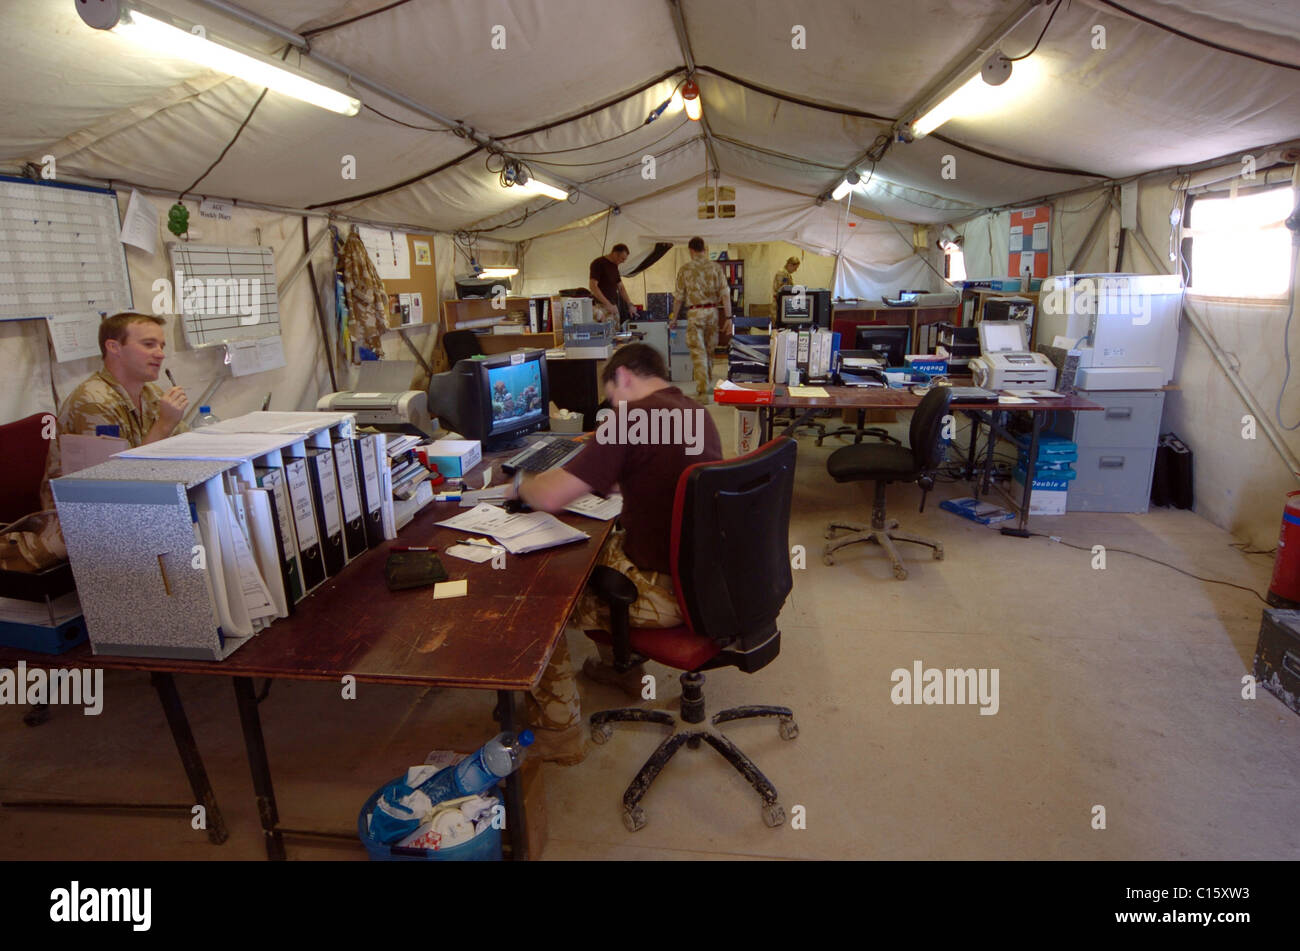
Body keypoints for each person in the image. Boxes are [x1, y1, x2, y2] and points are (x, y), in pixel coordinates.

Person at [505, 343, 722, 763]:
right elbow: (658, 476)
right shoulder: (696, 413)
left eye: (610, 398)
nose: (610, 408)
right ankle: (621, 667)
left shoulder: (631, 419)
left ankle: (558, 734)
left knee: (541, 598)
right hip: (708, 578)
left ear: (623, 377)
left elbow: (550, 496)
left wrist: (520, 486)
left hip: (665, 594)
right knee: (605, 546)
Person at [11, 312, 190, 571]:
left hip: (130, 504)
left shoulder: (150, 392)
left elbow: (183, 450)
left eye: (162, 345)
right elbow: (113, 489)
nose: (160, 353)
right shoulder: (93, 402)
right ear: (114, 347)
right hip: (80, 518)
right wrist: (164, 425)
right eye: (149, 344)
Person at [670, 237, 731, 402]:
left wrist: (674, 318)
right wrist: (729, 317)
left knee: (699, 353)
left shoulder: (685, 269)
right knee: (710, 351)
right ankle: (708, 385)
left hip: (695, 313)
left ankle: (703, 392)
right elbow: (725, 294)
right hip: (713, 312)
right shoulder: (716, 267)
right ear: (704, 249)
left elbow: (679, 297)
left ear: (690, 250)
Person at [588, 244, 633, 324]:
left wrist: (629, 304)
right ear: (615, 254)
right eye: (622, 258)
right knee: (606, 333)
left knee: (616, 331)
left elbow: (621, 287)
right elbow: (593, 286)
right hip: (601, 305)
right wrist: (607, 304)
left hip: (612, 305)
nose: (623, 261)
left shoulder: (614, 266)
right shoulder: (598, 263)